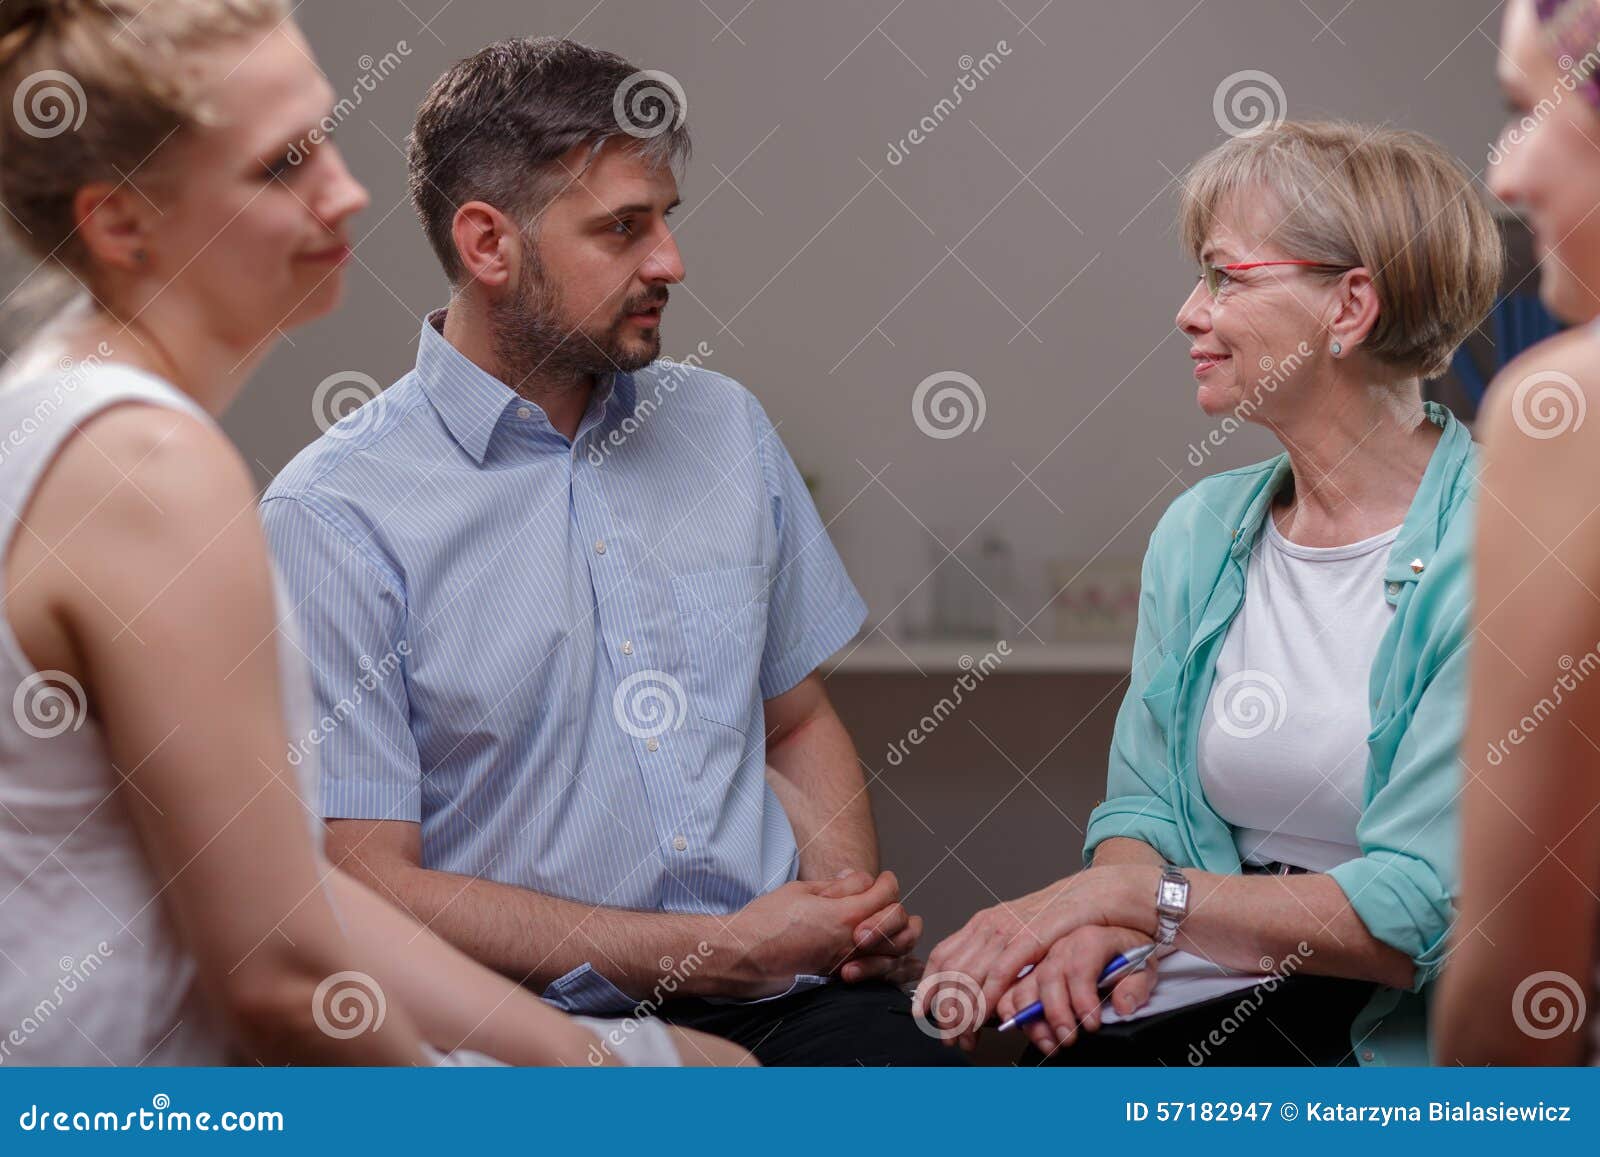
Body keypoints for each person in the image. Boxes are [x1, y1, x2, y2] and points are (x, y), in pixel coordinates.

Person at [0, 0, 745, 1068]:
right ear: (121, 224)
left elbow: (296, 903)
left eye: (326, 138)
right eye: (281, 165)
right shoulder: (147, 468)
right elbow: (283, 977)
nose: (344, 191)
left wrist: (618, 1065)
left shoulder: (54, 400)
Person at [259, 35, 953, 1067]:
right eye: (623, 229)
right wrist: (705, 951)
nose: (669, 260)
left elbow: (795, 721)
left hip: (794, 1001)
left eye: (666, 219)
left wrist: (838, 913)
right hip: (509, 1031)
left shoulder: (725, 426)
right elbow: (366, 879)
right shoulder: (331, 512)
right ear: (489, 245)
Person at [918, 120, 1502, 1066]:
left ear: (1348, 308)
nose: (1190, 312)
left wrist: (1136, 904)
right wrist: (1105, 921)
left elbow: (1415, 912)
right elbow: (1143, 813)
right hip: (1214, 990)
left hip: (1379, 1035)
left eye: (1226, 275)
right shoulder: (1200, 532)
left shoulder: (1506, 547)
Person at [1435, 0, 1600, 1066]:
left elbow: (1510, 988)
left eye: (1533, 109)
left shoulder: (1565, 417)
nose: (1505, 176)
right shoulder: (1200, 532)